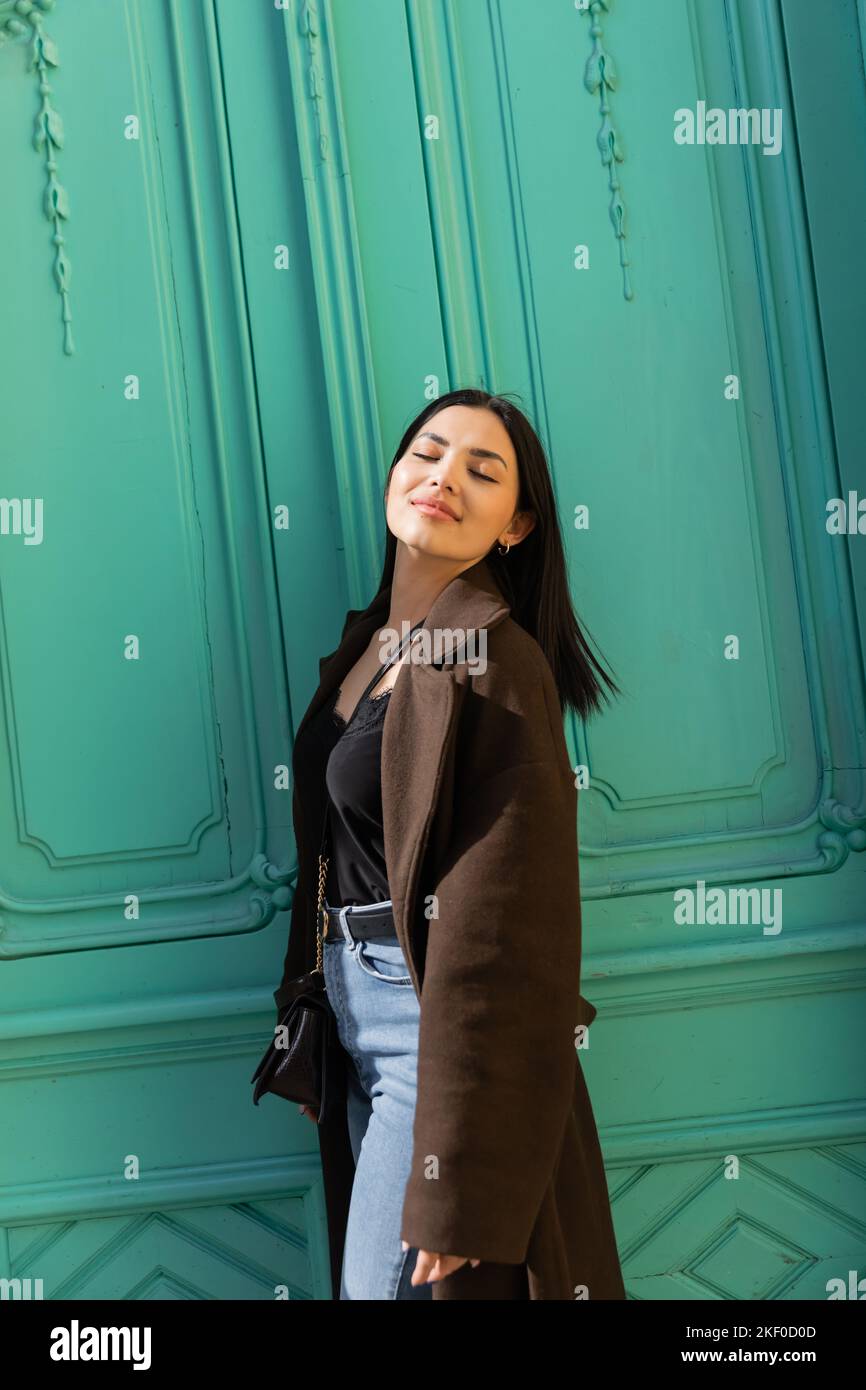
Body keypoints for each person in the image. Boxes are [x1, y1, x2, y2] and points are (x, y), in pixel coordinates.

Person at [276, 387, 625, 1300]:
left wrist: (465, 1173)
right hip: (363, 1023)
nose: (442, 478)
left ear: (516, 526)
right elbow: (330, 853)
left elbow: (512, 931)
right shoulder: (370, 646)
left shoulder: (495, 660)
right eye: (427, 453)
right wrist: (308, 1007)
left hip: (433, 1036)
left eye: (482, 469)